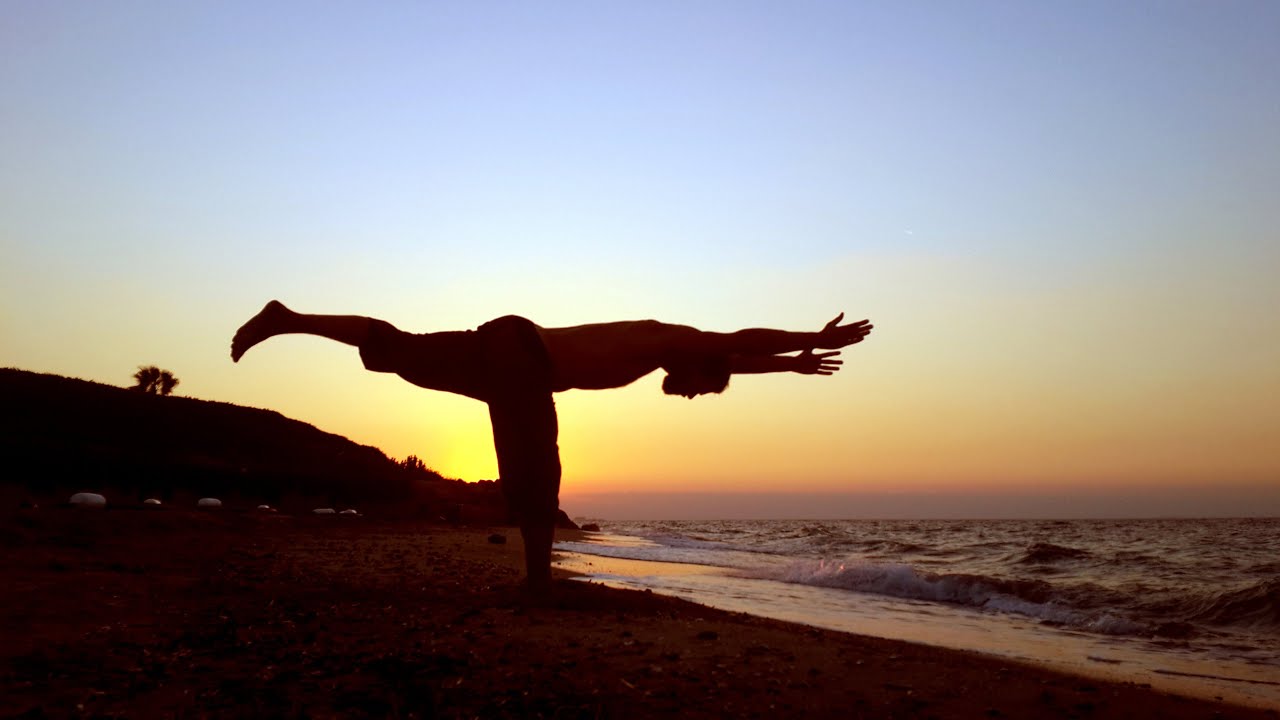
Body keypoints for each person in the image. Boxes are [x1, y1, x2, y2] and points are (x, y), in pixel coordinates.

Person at [231, 301, 872, 592]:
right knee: (539, 466)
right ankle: (538, 583)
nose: (689, 396)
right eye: (700, 392)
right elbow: (736, 340)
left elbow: (731, 355)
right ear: (700, 368)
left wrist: (790, 366)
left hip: (507, 352)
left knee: (400, 350)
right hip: (520, 362)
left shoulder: (663, 350)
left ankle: (289, 320)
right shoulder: (669, 338)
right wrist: (805, 336)